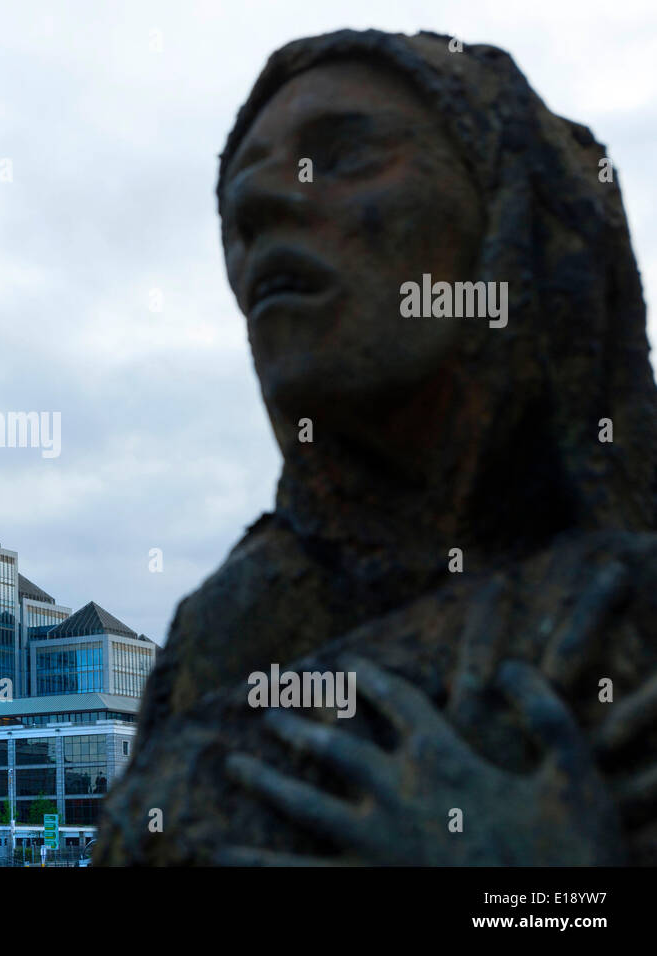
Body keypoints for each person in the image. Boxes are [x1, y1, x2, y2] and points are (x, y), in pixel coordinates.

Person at [95, 30, 657, 865]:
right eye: (237, 197)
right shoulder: (220, 633)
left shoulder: (625, 608)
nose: (256, 202)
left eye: (346, 154)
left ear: (508, 217)